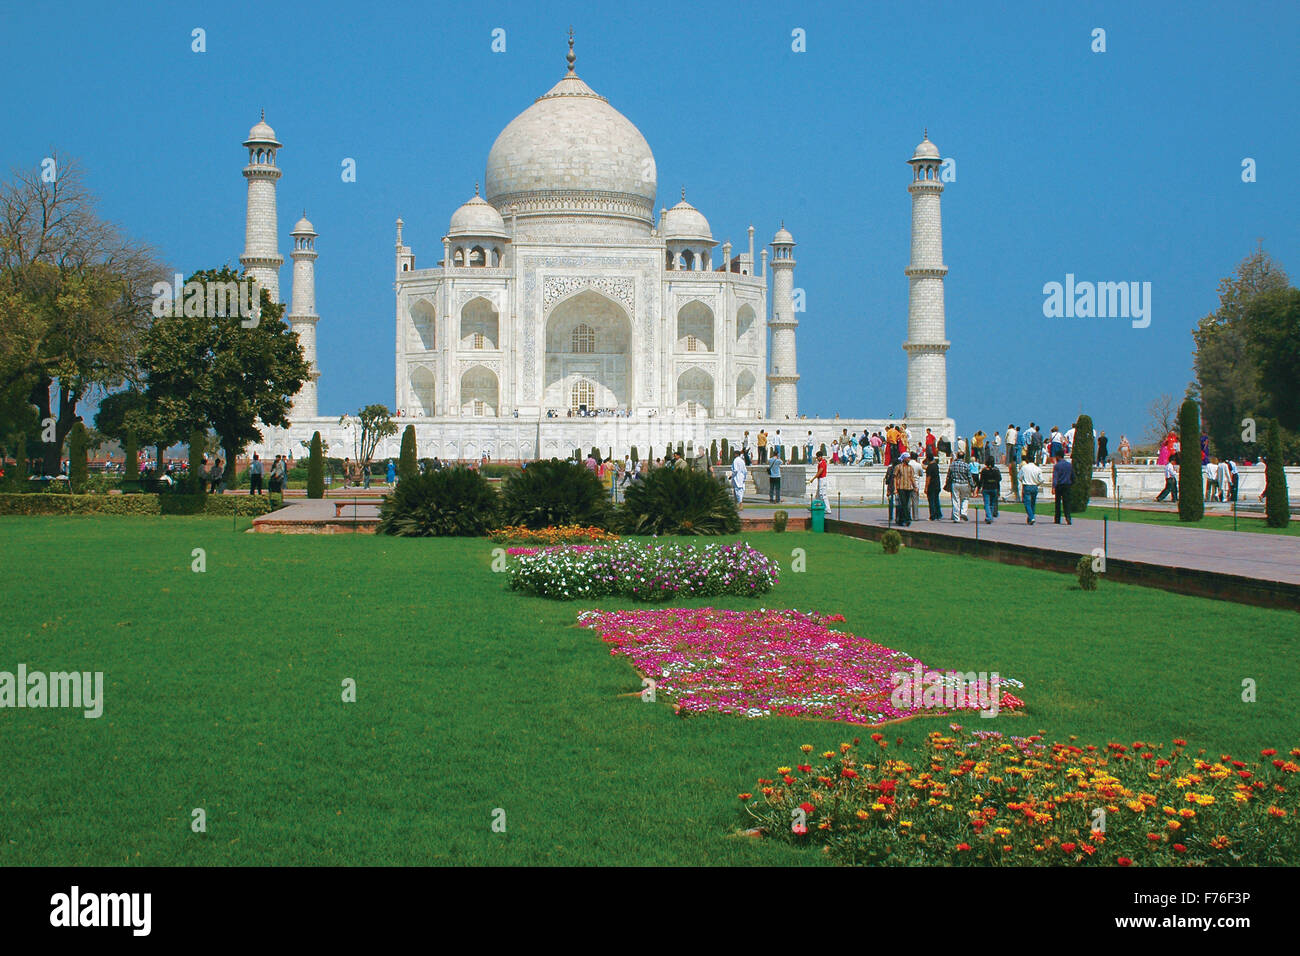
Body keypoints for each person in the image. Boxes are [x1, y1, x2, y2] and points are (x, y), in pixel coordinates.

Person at [947, 453, 971, 522]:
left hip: (955, 483)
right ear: (963, 457)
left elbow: (949, 475)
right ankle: (963, 512)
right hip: (964, 484)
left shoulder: (952, 465)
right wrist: (972, 485)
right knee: (965, 498)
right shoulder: (966, 465)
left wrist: (947, 484)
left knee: (955, 500)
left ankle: (956, 517)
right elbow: (969, 476)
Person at [893, 452, 916, 527]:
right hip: (901, 487)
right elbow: (895, 478)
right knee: (903, 503)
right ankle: (907, 519)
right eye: (908, 458)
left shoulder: (910, 468)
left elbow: (912, 478)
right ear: (904, 459)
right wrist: (895, 488)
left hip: (908, 487)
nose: (909, 459)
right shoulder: (898, 467)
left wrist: (915, 486)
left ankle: (901, 519)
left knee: (906, 504)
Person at [1019, 456, 1042, 524]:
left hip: (1027, 486)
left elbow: (1019, 476)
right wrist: (1037, 483)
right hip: (1034, 486)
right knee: (1033, 503)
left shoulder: (1024, 467)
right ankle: (1030, 518)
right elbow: (1041, 480)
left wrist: (1023, 481)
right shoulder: (1037, 468)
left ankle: (1031, 517)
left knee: (1027, 503)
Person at [1052, 454, 1074, 525]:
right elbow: (1072, 475)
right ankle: (1068, 517)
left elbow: (1055, 477)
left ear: (1058, 457)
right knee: (1066, 502)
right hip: (1067, 485)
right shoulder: (1069, 465)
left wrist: (1053, 487)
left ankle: (1057, 519)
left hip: (1059, 485)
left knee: (1057, 503)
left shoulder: (1057, 466)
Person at [979, 456, 1001, 523]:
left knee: (987, 504)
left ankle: (989, 517)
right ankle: (990, 516)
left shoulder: (984, 470)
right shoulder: (996, 470)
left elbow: (981, 480)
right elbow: (999, 479)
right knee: (992, 503)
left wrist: (978, 488)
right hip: (994, 488)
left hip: (986, 488)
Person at [924, 453, 942, 520]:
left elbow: (928, 478)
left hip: (931, 486)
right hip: (937, 485)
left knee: (931, 501)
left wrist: (926, 487)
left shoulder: (930, 467)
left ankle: (933, 515)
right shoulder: (936, 465)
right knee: (936, 500)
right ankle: (938, 514)